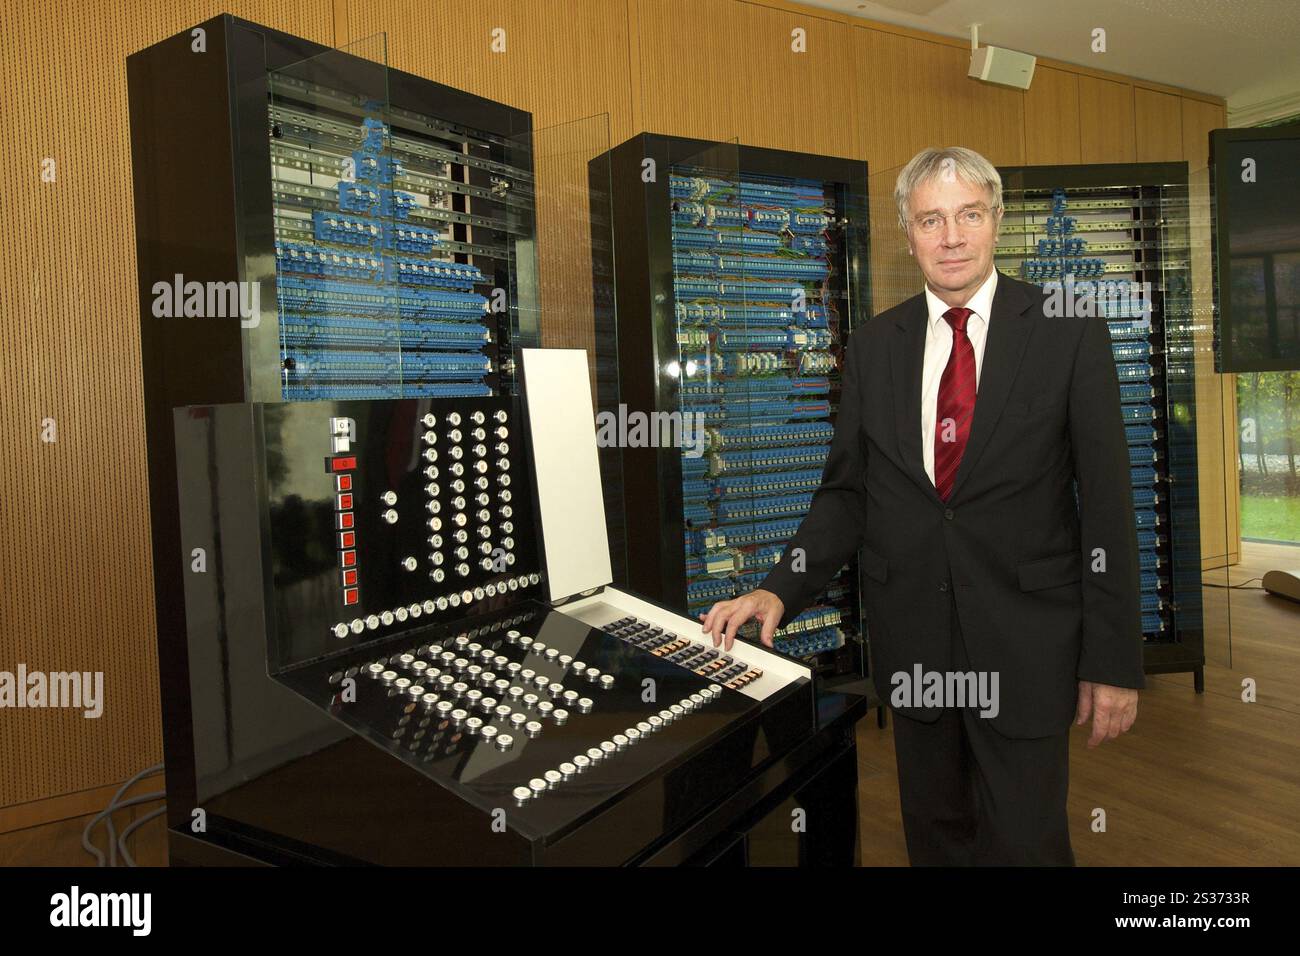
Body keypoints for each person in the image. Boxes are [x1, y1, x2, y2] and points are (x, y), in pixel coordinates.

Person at [699, 146, 1144, 866]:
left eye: (968, 215)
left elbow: (1108, 508)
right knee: (936, 843)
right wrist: (779, 587)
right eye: (931, 220)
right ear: (908, 235)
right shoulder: (876, 346)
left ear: (996, 221)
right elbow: (847, 493)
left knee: (1028, 846)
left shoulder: (1068, 330)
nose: (953, 237)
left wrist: (1115, 662)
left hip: (1028, 647)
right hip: (917, 652)